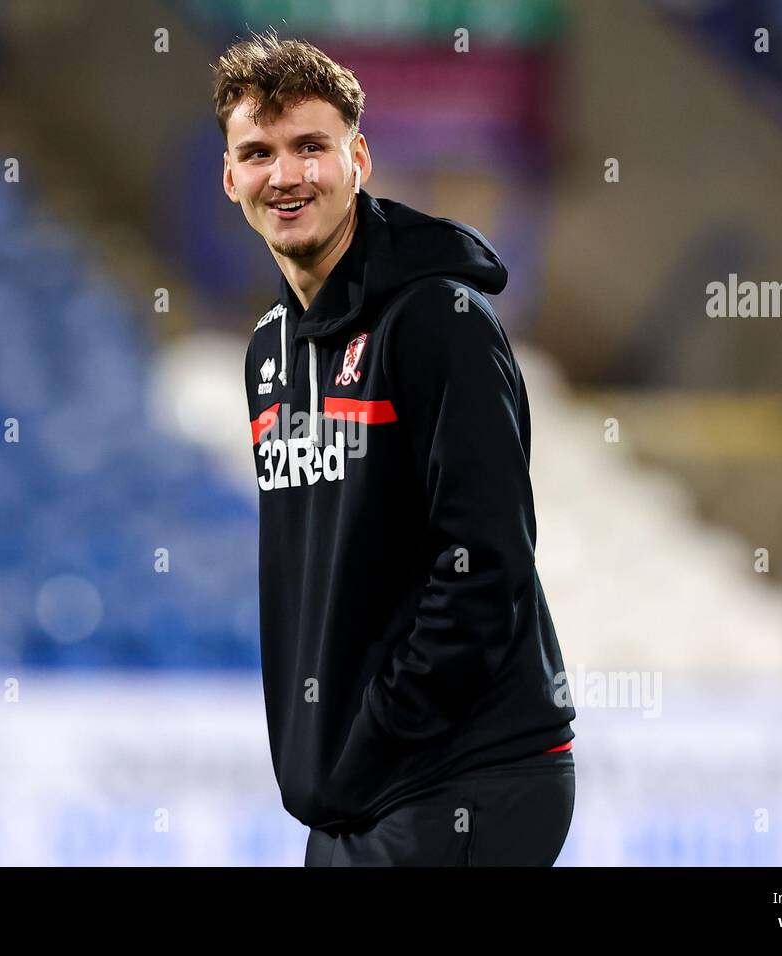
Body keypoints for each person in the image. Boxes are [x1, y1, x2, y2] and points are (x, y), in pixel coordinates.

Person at [215, 31, 576, 866]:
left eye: (312, 146)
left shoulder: (437, 323)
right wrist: (331, 763)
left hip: (464, 773)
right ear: (230, 177)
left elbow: (485, 565)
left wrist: (374, 732)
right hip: (354, 794)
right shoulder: (267, 352)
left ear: (359, 158)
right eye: (258, 152)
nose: (287, 175)